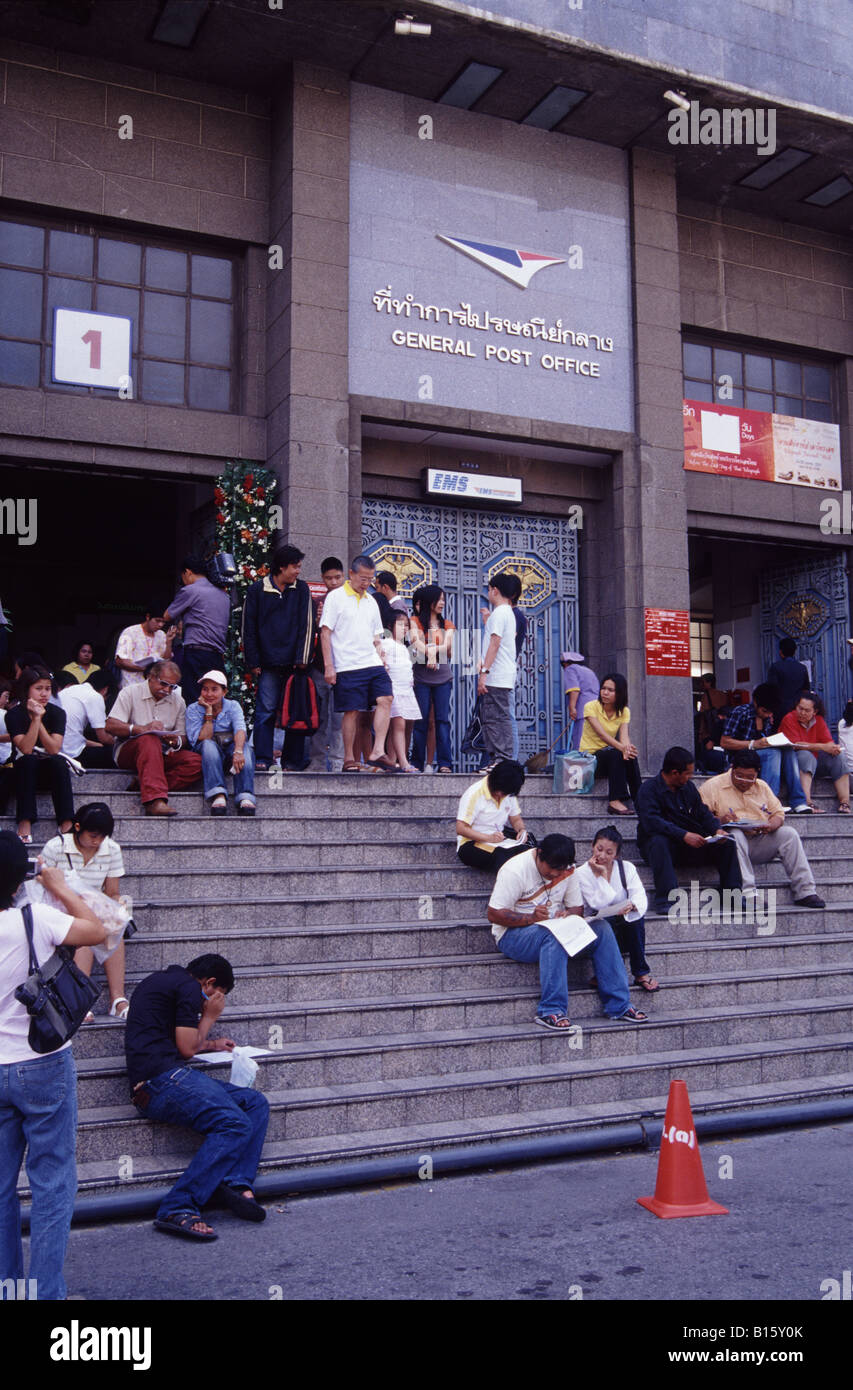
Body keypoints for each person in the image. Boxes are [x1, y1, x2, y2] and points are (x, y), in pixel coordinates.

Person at [0, 830, 106, 1300]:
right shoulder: (36, 918)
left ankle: (8, 1288)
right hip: (42, 1064)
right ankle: (45, 1295)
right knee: (52, 1183)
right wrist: (60, 885)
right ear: (19, 878)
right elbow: (98, 930)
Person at [126, 954, 270, 1241]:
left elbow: (178, 1045)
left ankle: (234, 1182)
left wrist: (213, 1044)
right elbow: (187, 1049)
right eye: (219, 994)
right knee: (235, 1124)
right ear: (210, 982)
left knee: (255, 1103)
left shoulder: (167, 982)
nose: (216, 999)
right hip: (159, 1082)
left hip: (167, 1076)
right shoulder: (190, 988)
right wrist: (210, 1016)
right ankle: (177, 1206)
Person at [487, 833, 647, 1030]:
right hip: (513, 936)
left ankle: (620, 1005)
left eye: (560, 870)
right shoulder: (515, 870)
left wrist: (567, 915)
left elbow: (576, 909)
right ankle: (551, 1010)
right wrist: (531, 919)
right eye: (551, 869)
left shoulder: (568, 870)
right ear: (539, 854)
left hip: (554, 927)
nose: (555, 874)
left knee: (602, 928)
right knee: (553, 936)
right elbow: (493, 914)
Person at [40, 800, 135, 1019]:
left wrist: (117, 907)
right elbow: (44, 888)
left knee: (114, 924)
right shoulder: (56, 847)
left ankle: (117, 998)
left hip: (93, 906)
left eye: (102, 837)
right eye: (93, 836)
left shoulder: (111, 848)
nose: (97, 842)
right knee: (85, 930)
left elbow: (112, 892)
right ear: (77, 827)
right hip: (59, 906)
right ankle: (79, 999)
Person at [699, 750, 825, 908]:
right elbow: (699, 819)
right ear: (732, 768)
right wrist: (720, 820)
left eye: (750, 777)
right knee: (735, 834)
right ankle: (748, 894)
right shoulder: (712, 786)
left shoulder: (762, 786)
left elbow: (778, 813)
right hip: (726, 847)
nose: (744, 781)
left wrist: (771, 825)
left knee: (789, 834)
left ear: (757, 773)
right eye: (739, 775)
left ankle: (805, 891)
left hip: (756, 840)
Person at [635, 745, 742, 915]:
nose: (690, 777)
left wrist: (717, 830)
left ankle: (732, 896)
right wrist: (683, 835)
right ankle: (667, 899)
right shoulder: (648, 790)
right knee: (658, 841)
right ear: (674, 772)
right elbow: (652, 822)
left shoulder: (688, 788)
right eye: (687, 773)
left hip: (690, 844)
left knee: (727, 842)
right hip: (662, 847)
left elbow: (702, 812)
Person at [241, 544, 316, 773]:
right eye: (295, 566)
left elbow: (307, 624)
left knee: (295, 711)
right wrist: (253, 662)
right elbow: (248, 628)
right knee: (266, 710)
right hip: (268, 664)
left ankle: (292, 760)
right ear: (281, 567)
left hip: (295, 663)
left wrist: (302, 659)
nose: (297, 571)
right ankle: (263, 757)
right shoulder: (256, 590)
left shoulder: (301, 589)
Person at [320, 555, 395, 773]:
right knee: (351, 711)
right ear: (351, 574)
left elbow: (376, 636)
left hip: (372, 662)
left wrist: (382, 656)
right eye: (363, 578)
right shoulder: (336, 598)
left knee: (386, 698)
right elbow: (326, 633)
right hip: (347, 664)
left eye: (370, 579)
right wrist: (329, 666)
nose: (366, 583)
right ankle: (349, 758)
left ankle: (377, 751)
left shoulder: (372, 601)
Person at [105, 660, 202, 817]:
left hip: (163, 752)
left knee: (197, 762)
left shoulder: (178, 701)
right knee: (149, 739)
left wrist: (174, 742)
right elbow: (110, 726)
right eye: (164, 684)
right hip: (129, 750)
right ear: (151, 677)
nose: (167, 690)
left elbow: (182, 738)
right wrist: (140, 729)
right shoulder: (130, 692)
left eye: (172, 687)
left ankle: (144, 785)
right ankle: (155, 800)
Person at [576, 825, 659, 991]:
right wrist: (602, 876)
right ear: (592, 845)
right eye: (599, 849)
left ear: (617, 855)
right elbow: (597, 904)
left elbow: (639, 895)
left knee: (636, 919)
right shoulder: (582, 873)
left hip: (622, 924)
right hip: (595, 927)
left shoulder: (626, 868)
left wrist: (632, 905)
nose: (602, 856)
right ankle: (604, 973)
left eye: (609, 852)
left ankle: (640, 973)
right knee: (605, 922)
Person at [7, 666, 74, 845]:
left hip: (48, 772)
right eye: (38, 689)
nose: (44, 694)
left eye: (48, 688)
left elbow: (53, 749)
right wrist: (35, 719)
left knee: (59, 761)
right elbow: (26, 748)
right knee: (28, 760)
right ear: (26, 690)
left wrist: (40, 720)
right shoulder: (14, 714)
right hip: (21, 773)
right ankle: (25, 822)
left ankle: (67, 823)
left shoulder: (57, 713)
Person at [720, 682, 809, 811]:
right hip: (740, 757)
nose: (767, 715)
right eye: (765, 711)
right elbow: (724, 742)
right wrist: (753, 744)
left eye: (770, 713)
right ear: (755, 703)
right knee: (773, 753)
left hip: (761, 756)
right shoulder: (740, 712)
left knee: (788, 751)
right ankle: (769, 802)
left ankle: (798, 801)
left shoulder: (767, 717)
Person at [163, 556, 231, 706]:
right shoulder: (224, 596)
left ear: (187, 572)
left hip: (197, 654)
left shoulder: (190, 590)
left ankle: (196, 730)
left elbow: (167, 615)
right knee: (214, 701)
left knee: (194, 699)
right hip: (217, 656)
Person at [185, 670, 256, 816]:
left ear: (224, 691)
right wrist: (208, 712)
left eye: (214, 689)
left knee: (245, 748)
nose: (209, 694)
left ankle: (245, 797)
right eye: (205, 689)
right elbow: (203, 738)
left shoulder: (233, 706)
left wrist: (238, 751)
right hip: (207, 753)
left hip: (229, 748)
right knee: (208, 745)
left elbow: (240, 730)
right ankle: (218, 794)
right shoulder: (193, 709)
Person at [579, 672, 642, 815]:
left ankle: (639, 799)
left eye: (610, 690)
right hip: (589, 760)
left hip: (609, 759)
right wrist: (621, 748)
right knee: (616, 753)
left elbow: (624, 736)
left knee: (629, 755)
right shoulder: (591, 706)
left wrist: (628, 749)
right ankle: (614, 801)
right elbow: (601, 734)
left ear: (619, 693)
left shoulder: (624, 711)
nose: (605, 692)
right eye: (603, 688)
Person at [779, 693, 850, 814]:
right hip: (793, 765)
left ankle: (845, 803)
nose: (802, 713)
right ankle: (807, 802)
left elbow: (828, 743)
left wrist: (833, 748)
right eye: (800, 708)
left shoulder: (819, 721)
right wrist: (822, 746)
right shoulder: (789, 718)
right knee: (805, 755)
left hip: (815, 763)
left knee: (839, 756)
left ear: (815, 712)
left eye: (807, 710)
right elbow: (796, 745)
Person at [410, 584, 455, 774]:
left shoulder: (447, 624)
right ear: (430, 601)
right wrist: (428, 652)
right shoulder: (415, 621)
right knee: (420, 721)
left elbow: (447, 646)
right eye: (440, 599)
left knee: (442, 721)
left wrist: (430, 653)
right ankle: (417, 763)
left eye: (444, 599)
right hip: (421, 678)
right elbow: (415, 641)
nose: (443, 603)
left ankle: (445, 762)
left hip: (443, 678)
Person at [306, 556, 346, 773]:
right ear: (322, 579)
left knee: (340, 721)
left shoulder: (350, 602)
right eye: (329, 578)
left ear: (344, 576)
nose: (333, 582)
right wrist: (316, 620)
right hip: (319, 668)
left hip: (343, 668)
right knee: (319, 718)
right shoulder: (316, 602)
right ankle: (317, 761)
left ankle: (339, 762)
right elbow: (307, 633)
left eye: (337, 578)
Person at [456, 759, 530, 870]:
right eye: (500, 792)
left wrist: (521, 831)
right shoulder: (474, 793)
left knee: (530, 852)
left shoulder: (508, 793)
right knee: (505, 858)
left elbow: (516, 819)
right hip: (471, 843)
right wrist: (489, 838)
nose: (501, 795)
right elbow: (461, 828)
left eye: (505, 793)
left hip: (499, 839)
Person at [477, 573, 518, 769]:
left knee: (496, 718)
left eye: (489, 589)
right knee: (495, 717)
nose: (488, 593)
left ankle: (502, 759)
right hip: (502, 674)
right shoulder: (506, 613)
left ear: (495, 590)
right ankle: (499, 759)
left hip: (497, 676)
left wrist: (484, 672)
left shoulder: (500, 612)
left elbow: (495, 643)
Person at [379, 611, 420, 772]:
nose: (404, 629)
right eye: (401, 625)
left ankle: (391, 759)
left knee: (401, 726)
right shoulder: (386, 644)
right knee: (399, 724)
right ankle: (403, 762)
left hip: (406, 691)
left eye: (407, 626)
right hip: (393, 690)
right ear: (390, 626)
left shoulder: (404, 647)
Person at [57, 667, 116, 769]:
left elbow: (72, 736)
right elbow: (104, 738)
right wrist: (120, 743)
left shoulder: (68, 691)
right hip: (73, 756)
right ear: (105, 689)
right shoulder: (95, 696)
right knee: (116, 754)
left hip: (55, 750)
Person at [115, 608, 176, 689]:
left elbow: (166, 660)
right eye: (158, 621)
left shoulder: (161, 635)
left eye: (163, 622)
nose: (161, 625)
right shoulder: (130, 632)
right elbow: (120, 661)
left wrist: (169, 641)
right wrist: (145, 669)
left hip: (153, 688)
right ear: (148, 617)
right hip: (131, 685)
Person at [560, 652, 600, 751]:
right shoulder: (588, 671)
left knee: (580, 743)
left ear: (565, 663)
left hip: (583, 710)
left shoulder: (570, 669)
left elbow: (574, 689)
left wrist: (572, 708)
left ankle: (579, 765)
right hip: (596, 710)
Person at [767, 638, 810, 717]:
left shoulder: (775, 667)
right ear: (794, 652)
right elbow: (806, 691)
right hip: (798, 710)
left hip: (781, 711)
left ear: (780, 652)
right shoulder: (802, 668)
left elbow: (771, 691)